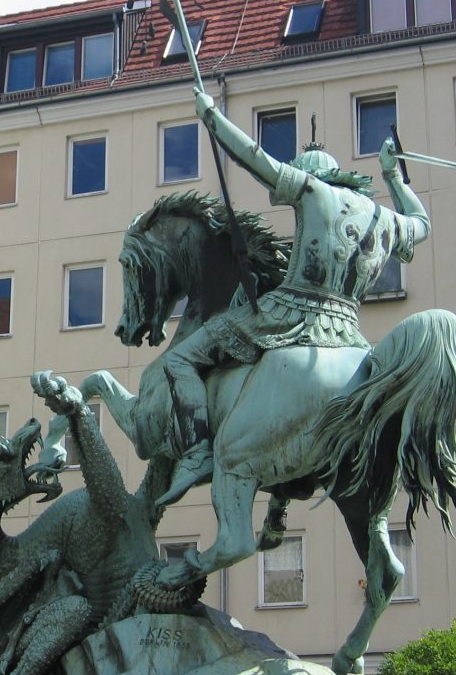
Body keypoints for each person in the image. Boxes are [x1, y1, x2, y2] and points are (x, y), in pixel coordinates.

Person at [156, 87, 431, 506]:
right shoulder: (383, 217)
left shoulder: (312, 192)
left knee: (180, 358)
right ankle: (282, 499)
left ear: (309, 176)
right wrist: (393, 176)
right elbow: (422, 222)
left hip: (290, 315)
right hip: (350, 336)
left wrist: (212, 118)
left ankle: (197, 451)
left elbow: (254, 158)